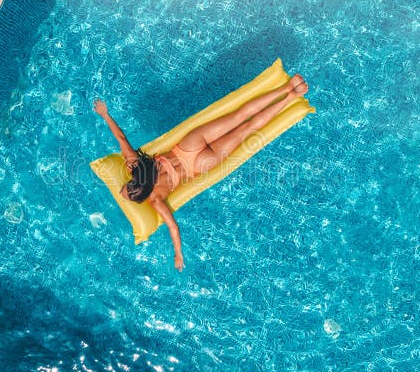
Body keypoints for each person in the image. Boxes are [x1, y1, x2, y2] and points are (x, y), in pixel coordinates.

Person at [93, 74, 309, 271]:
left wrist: (178, 254)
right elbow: (121, 138)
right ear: (132, 182)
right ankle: (288, 87)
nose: (122, 189)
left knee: (247, 129)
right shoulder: (136, 166)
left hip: (199, 165)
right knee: (239, 116)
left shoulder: (155, 199)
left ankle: (292, 97)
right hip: (188, 146)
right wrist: (105, 115)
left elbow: (173, 227)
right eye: (124, 188)